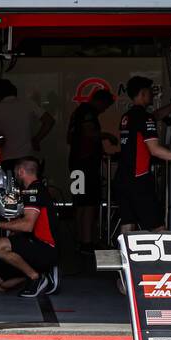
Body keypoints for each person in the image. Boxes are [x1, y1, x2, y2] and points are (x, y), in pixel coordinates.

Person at [113, 75, 171, 231]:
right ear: (143, 93)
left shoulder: (128, 116)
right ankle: (162, 256)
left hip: (123, 178)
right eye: (150, 92)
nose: (152, 94)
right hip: (139, 181)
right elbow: (155, 150)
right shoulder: (144, 118)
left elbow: (156, 116)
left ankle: (124, 255)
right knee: (158, 228)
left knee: (127, 226)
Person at [0, 157, 59, 298]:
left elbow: (27, 226)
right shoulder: (29, 190)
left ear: (21, 171)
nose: (14, 175)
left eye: (16, 172)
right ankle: (43, 273)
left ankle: (35, 277)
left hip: (44, 247)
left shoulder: (35, 191)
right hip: (33, 244)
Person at [66, 86, 116, 250]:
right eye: (106, 106)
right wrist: (107, 136)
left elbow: (70, 138)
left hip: (75, 163)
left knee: (79, 201)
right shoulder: (88, 113)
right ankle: (87, 242)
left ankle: (80, 239)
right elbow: (89, 134)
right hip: (85, 164)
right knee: (88, 202)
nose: (104, 110)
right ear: (100, 102)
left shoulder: (78, 112)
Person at [0, 79, 55, 160]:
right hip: (28, 156)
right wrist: (36, 139)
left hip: (7, 158)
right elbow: (49, 121)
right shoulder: (28, 103)